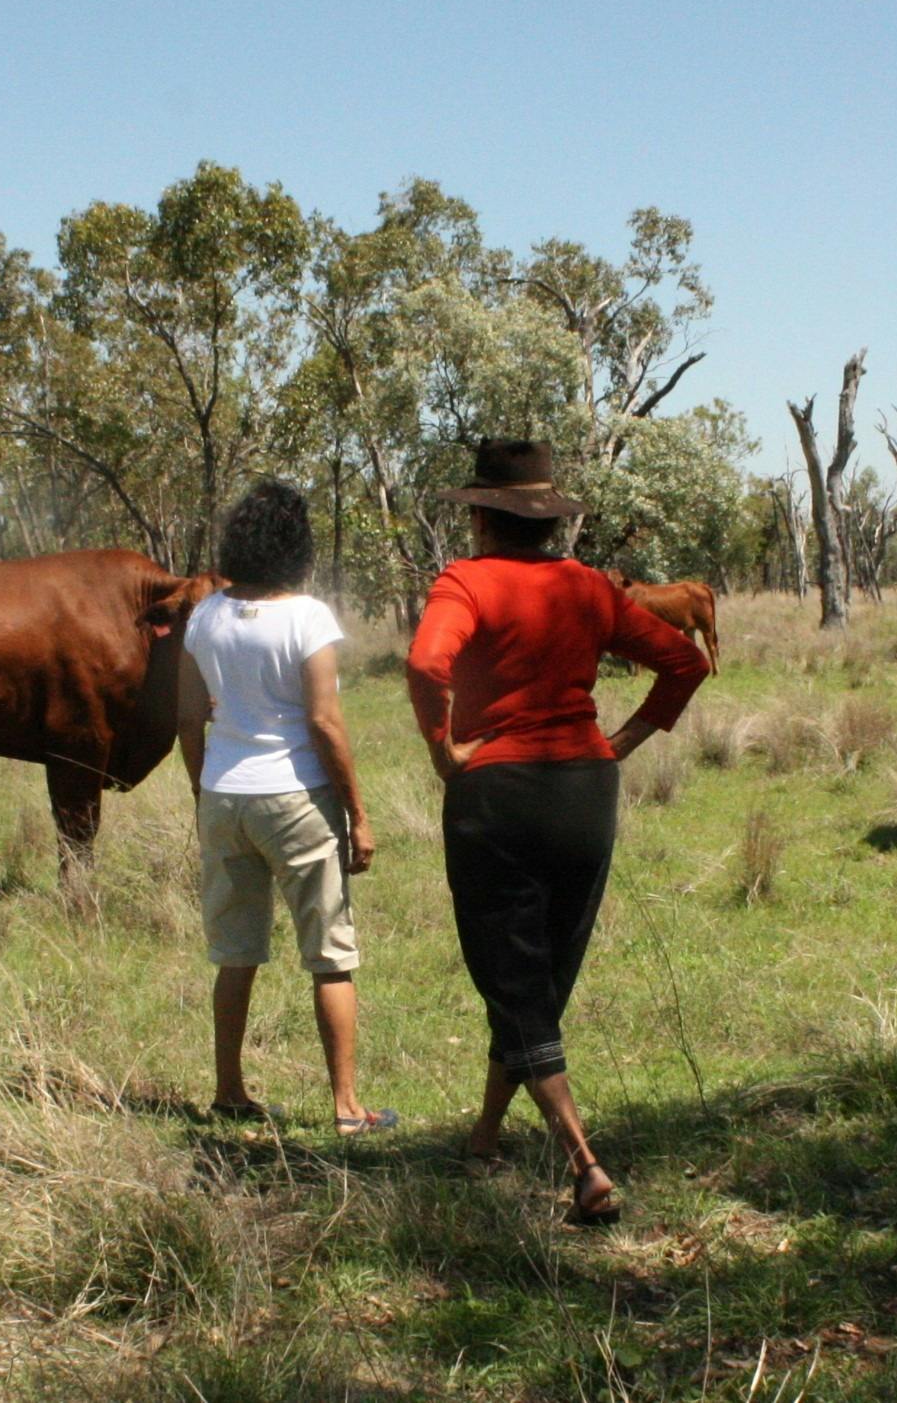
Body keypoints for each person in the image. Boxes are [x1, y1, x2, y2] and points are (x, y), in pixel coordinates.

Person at [404, 439, 710, 1225]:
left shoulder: (465, 581)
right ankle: (483, 1133)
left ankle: (585, 1162)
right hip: (584, 792)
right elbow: (685, 661)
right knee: (537, 975)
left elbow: (426, 664)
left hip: (496, 796)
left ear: (480, 517)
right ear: (546, 519)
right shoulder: (588, 587)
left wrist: (445, 751)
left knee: (515, 976)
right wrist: (621, 743)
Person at [178, 480, 397, 1135]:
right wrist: (358, 811)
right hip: (298, 795)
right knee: (331, 954)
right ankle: (347, 1106)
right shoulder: (306, 616)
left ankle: (229, 1091)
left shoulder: (205, 616)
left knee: (235, 951)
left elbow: (189, 717)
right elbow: (325, 723)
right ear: (295, 546)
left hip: (225, 794)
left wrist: (202, 788)